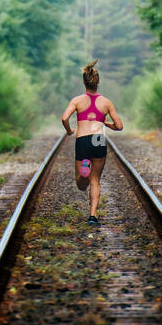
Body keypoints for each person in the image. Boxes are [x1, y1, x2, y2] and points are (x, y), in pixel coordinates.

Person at [61, 59, 123, 226]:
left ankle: (84, 170)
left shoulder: (77, 100)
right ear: (98, 82)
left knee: (81, 184)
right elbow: (119, 126)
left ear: (84, 82)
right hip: (98, 139)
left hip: (82, 139)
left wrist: (69, 130)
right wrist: (106, 123)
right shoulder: (106, 102)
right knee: (95, 180)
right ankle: (93, 216)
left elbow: (65, 118)